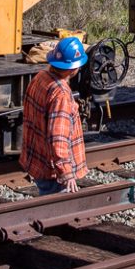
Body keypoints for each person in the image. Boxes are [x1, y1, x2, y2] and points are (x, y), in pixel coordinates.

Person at [20, 33, 89, 195]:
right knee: (55, 207)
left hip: (38, 159)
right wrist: (66, 173)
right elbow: (58, 138)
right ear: (73, 69)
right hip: (52, 171)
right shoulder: (61, 95)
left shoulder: (41, 77)